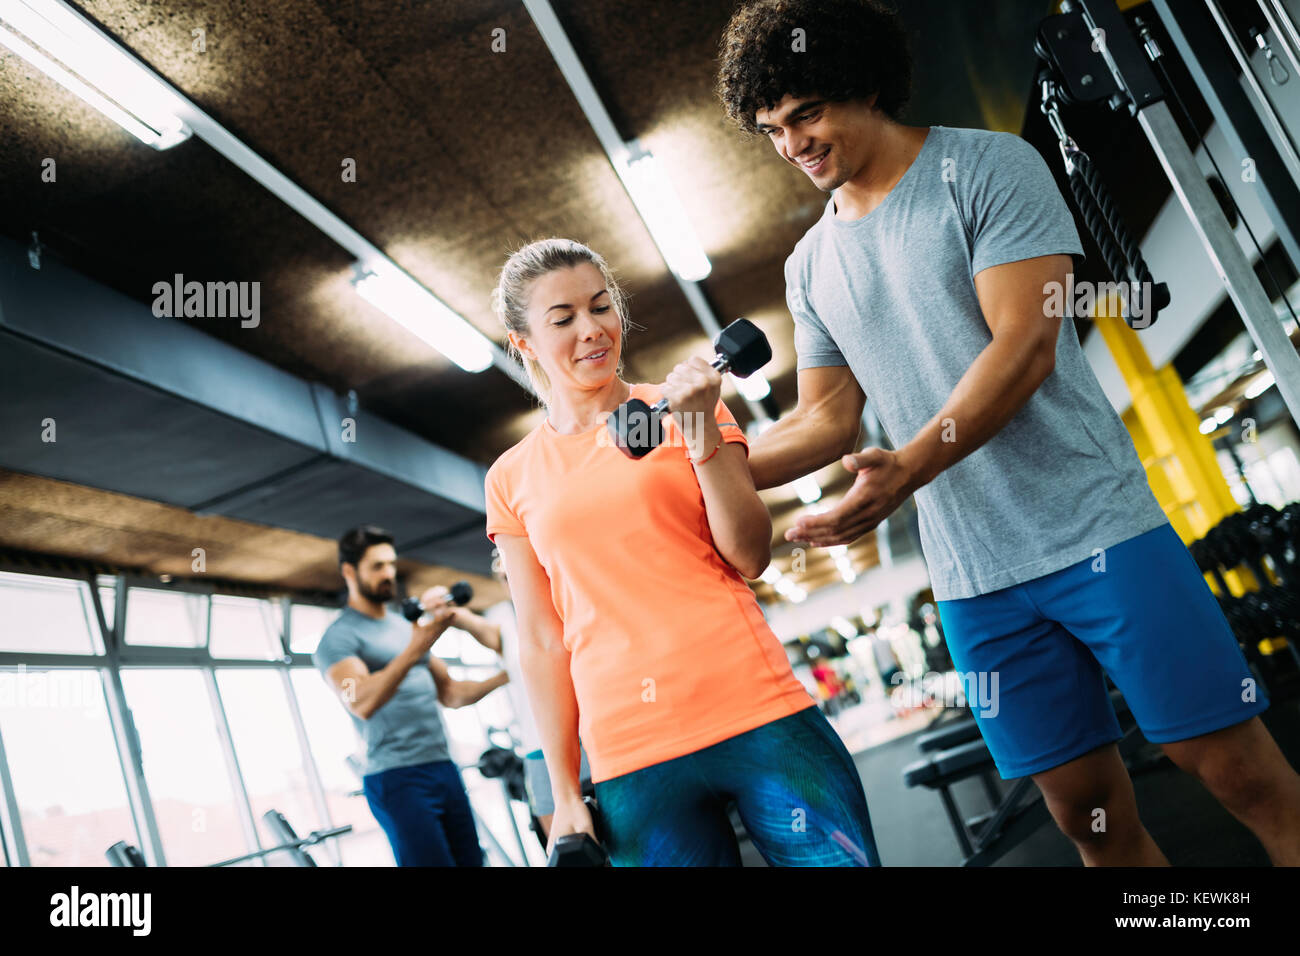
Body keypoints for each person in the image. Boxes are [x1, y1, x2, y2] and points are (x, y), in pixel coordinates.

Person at [715, 0, 1300, 865]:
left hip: (1098, 528)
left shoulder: (986, 165)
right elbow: (824, 421)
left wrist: (908, 467)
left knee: (1230, 768)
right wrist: (698, 462)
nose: (793, 142)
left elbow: (1023, 346)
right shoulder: (809, 265)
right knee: (1087, 816)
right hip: (973, 579)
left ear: (866, 86)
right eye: (771, 129)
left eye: (807, 113)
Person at [485, 238, 879, 866]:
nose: (592, 331)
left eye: (600, 306)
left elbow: (749, 555)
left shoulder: (690, 406)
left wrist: (698, 431)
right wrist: (564, 792)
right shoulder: (510, 478)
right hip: (631, 753)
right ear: (523, 341)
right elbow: (540, 640)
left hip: (758, 709)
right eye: (562, 320)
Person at [313, 525, 509, 867]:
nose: (388, 573)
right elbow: (360, 701)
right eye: (376, 566)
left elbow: (452, 694)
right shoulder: (339, 638)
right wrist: (419, 643)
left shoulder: (403, 626)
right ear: (349, 571)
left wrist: (513, 674)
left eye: (390, 564)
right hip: (397, 778)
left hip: (442, 767)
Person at [482, 546, 592, 847]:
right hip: (538, 750)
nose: (513, 580)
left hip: (590, 738)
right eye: (505, 576)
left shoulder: (568, 602)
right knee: (569, 851)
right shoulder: (500, 621)